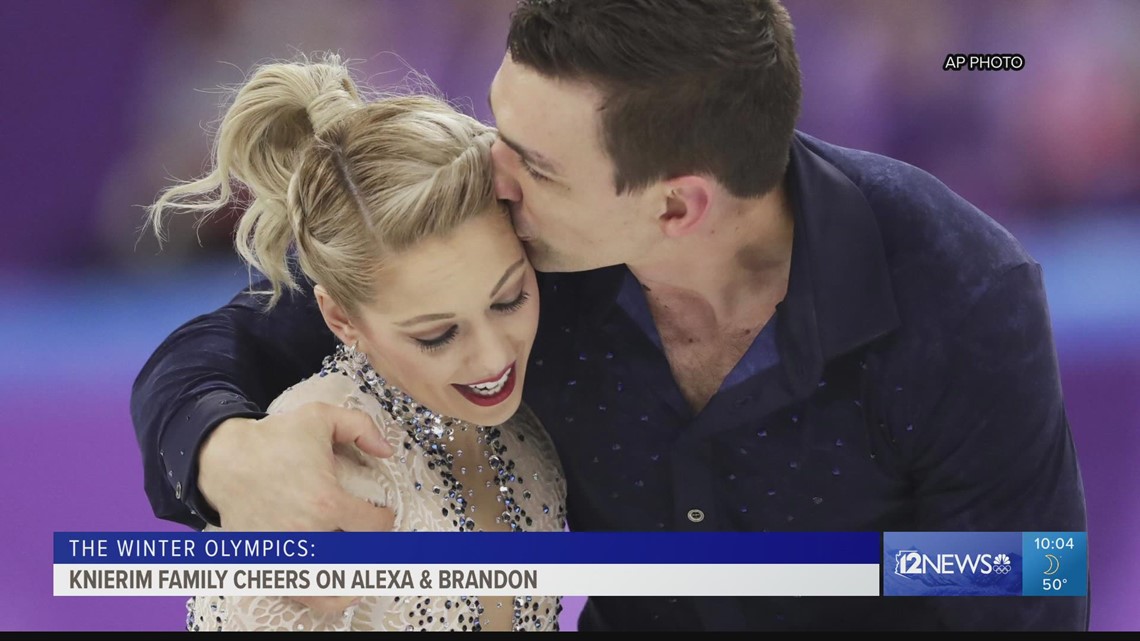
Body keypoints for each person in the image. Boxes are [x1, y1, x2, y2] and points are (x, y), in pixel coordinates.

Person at [132, 0, 1089, 631]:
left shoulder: (960, 296)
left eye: (534, 164)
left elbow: (1025, 591)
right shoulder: (507, 234)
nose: (490, 171)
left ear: (676, 208)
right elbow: (217, 351)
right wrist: (226, 452)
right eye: (499, 125)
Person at [144, 56, 566, 631]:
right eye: (436, 334)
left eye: (510, 298)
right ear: (340, 319)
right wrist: (221, 448)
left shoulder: (521, 430)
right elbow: (197, 360)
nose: (494, 358)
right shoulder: (310, 476)